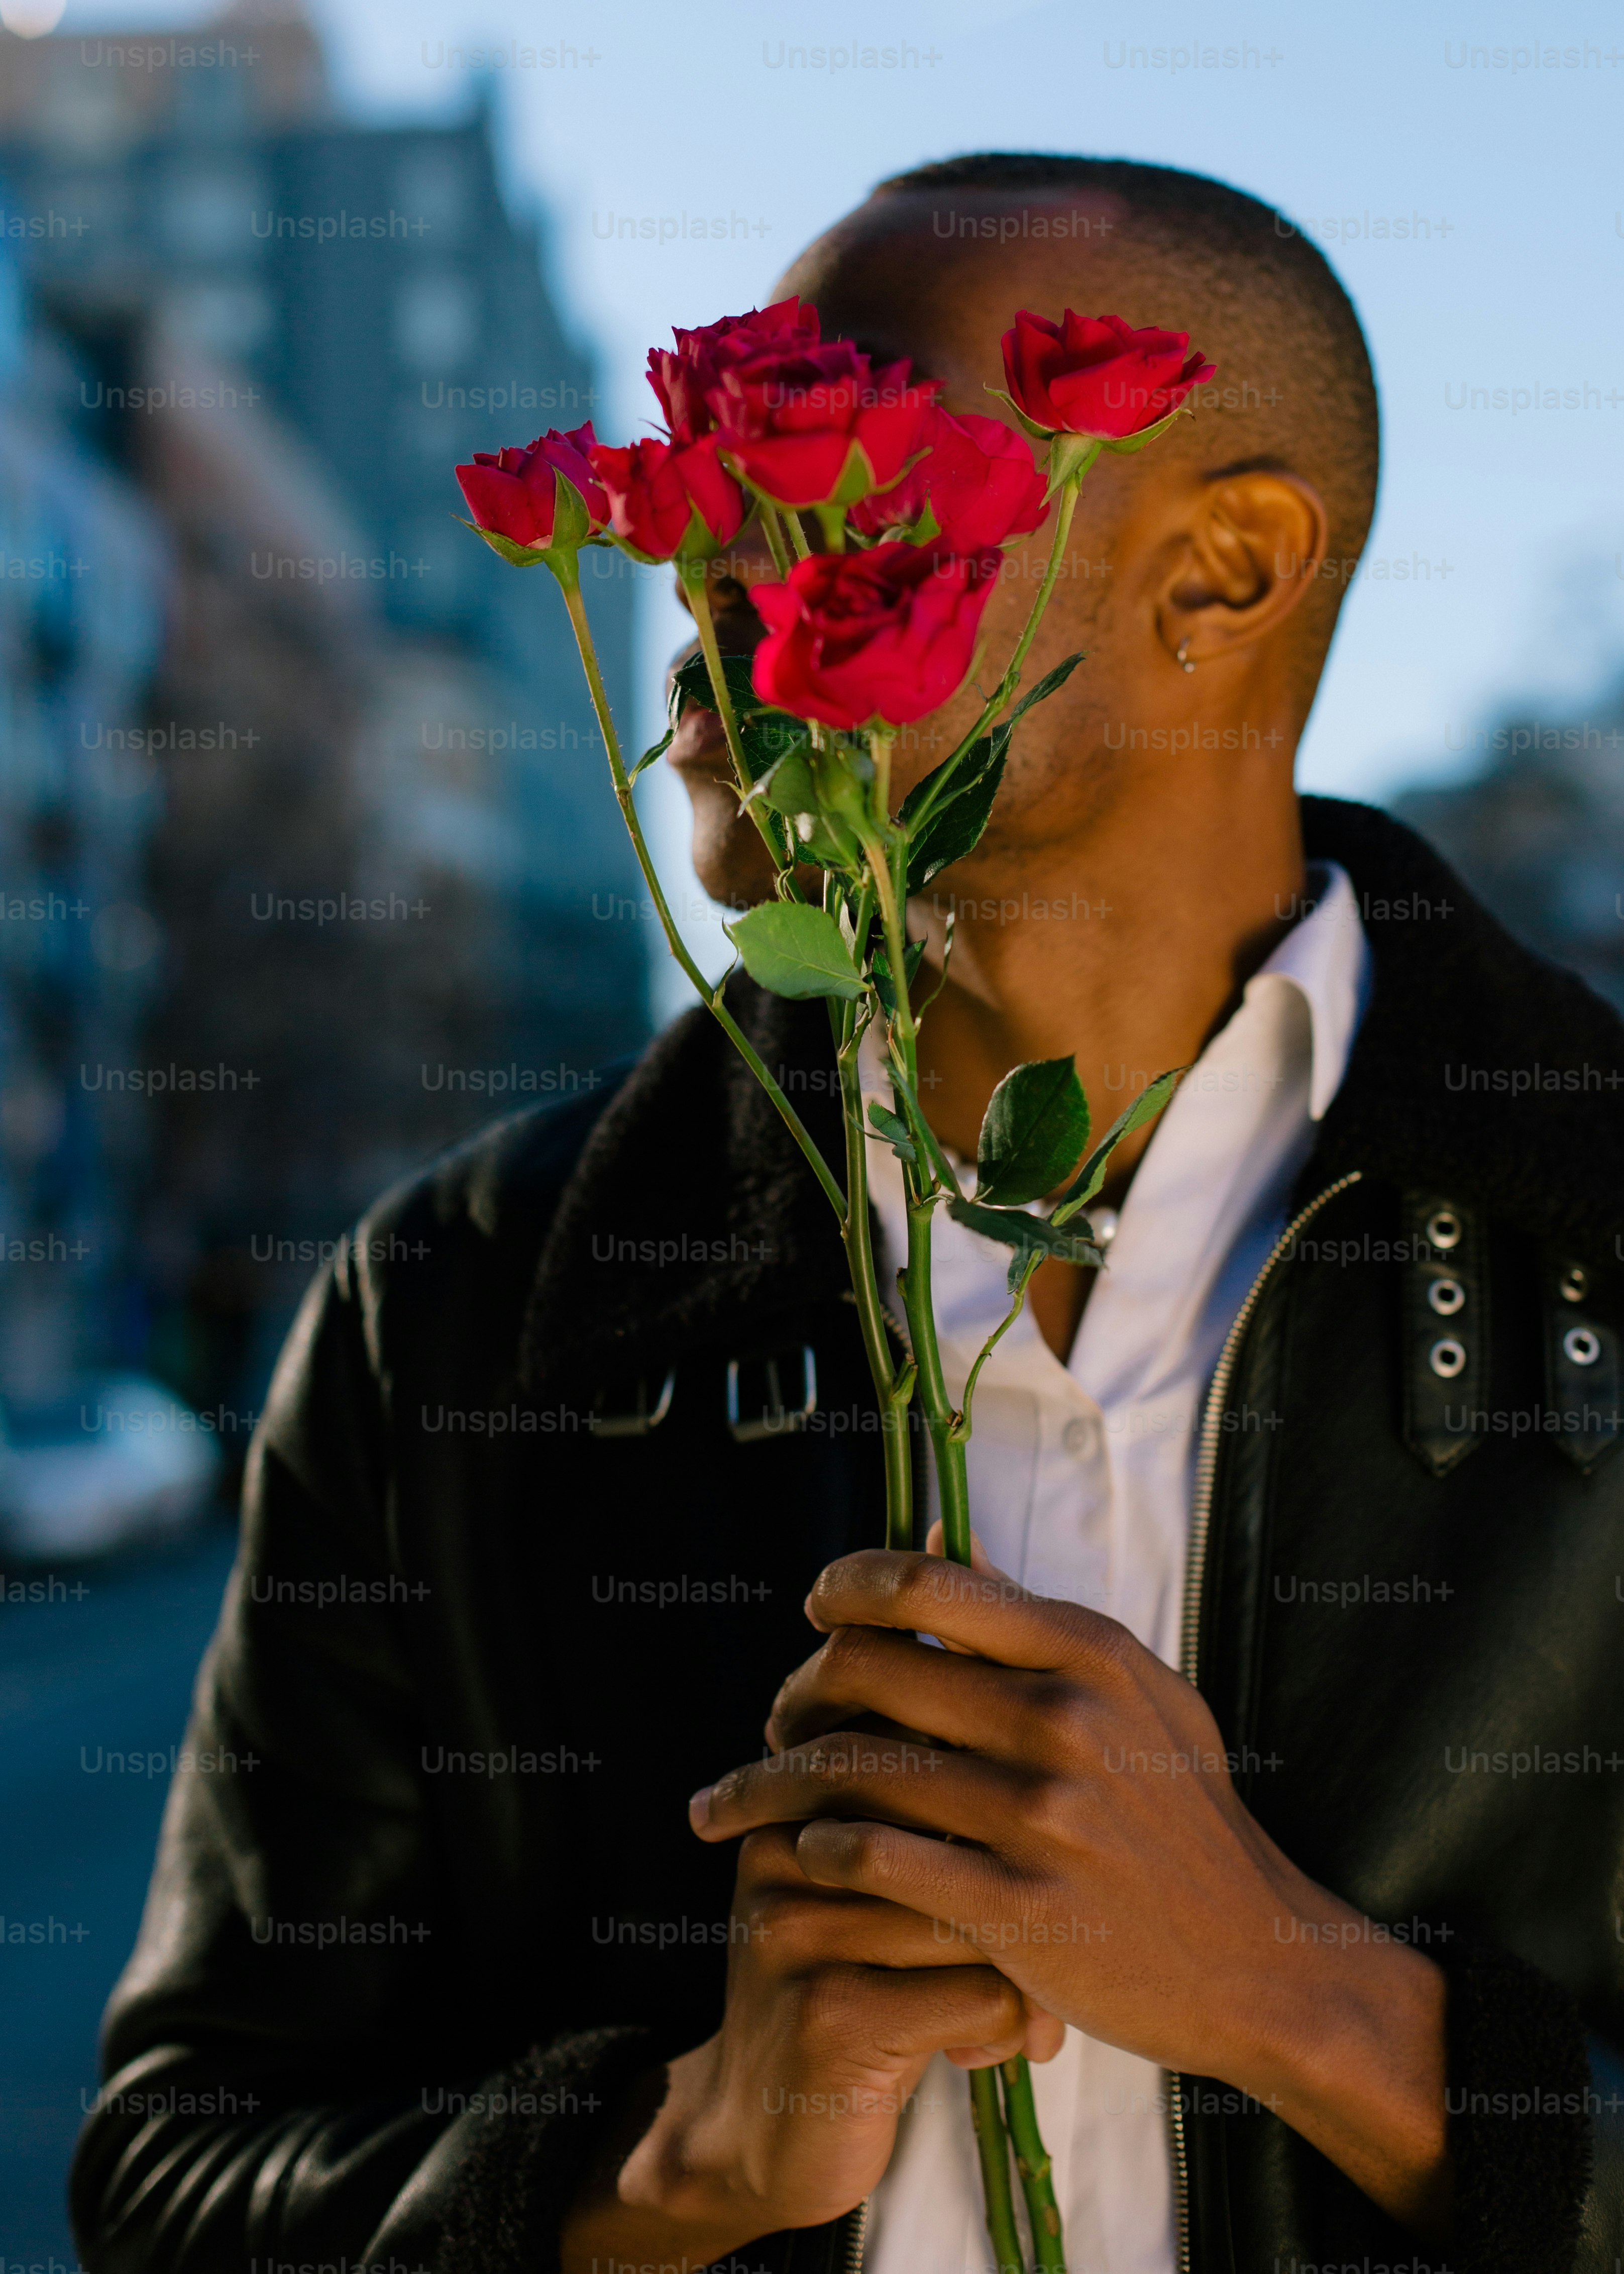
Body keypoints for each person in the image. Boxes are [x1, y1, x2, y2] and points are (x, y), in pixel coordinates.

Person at [72, 154, 1623, 2274]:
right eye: (707, 468)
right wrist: (667, 2159)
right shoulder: (458, 1310)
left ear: (1221, 569)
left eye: (844, 464)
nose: (712, 549)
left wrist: (1296, 2000)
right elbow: (181, 2182)